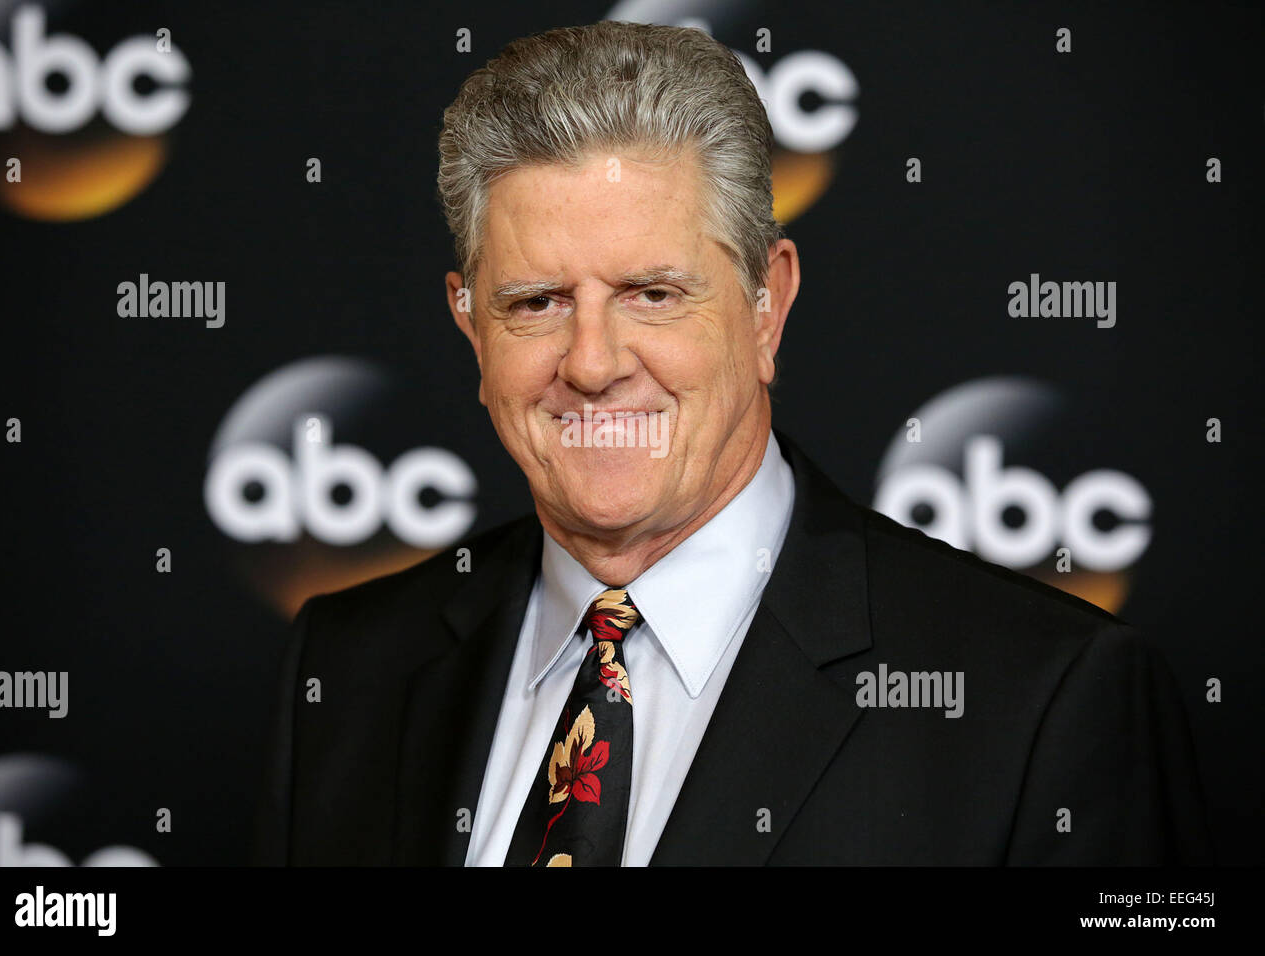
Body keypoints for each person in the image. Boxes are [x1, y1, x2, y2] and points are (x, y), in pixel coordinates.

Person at [253, 20, 1212, 866]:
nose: (592, 364)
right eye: (536, 302)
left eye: (653, 294)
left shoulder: (1044, 700)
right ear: (470, 325)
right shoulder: (345, 669)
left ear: (768, 304)